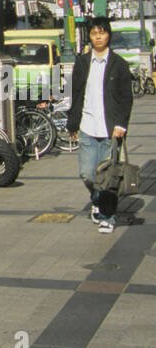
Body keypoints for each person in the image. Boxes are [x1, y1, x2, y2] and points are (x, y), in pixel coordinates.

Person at [67, 16, 133, 234]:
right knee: (87, 174)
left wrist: (121, 125)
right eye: (94, 33)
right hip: (87, 126)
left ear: (108, 35)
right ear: (90, 36)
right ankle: (98, 199)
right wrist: (73, 124)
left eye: (102, 33)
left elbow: (126, 98)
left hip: (109, 129)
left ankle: (107, 215)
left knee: (108, 177)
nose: (98, 37)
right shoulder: (82, 62)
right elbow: (75, 94)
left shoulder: (119, 65)